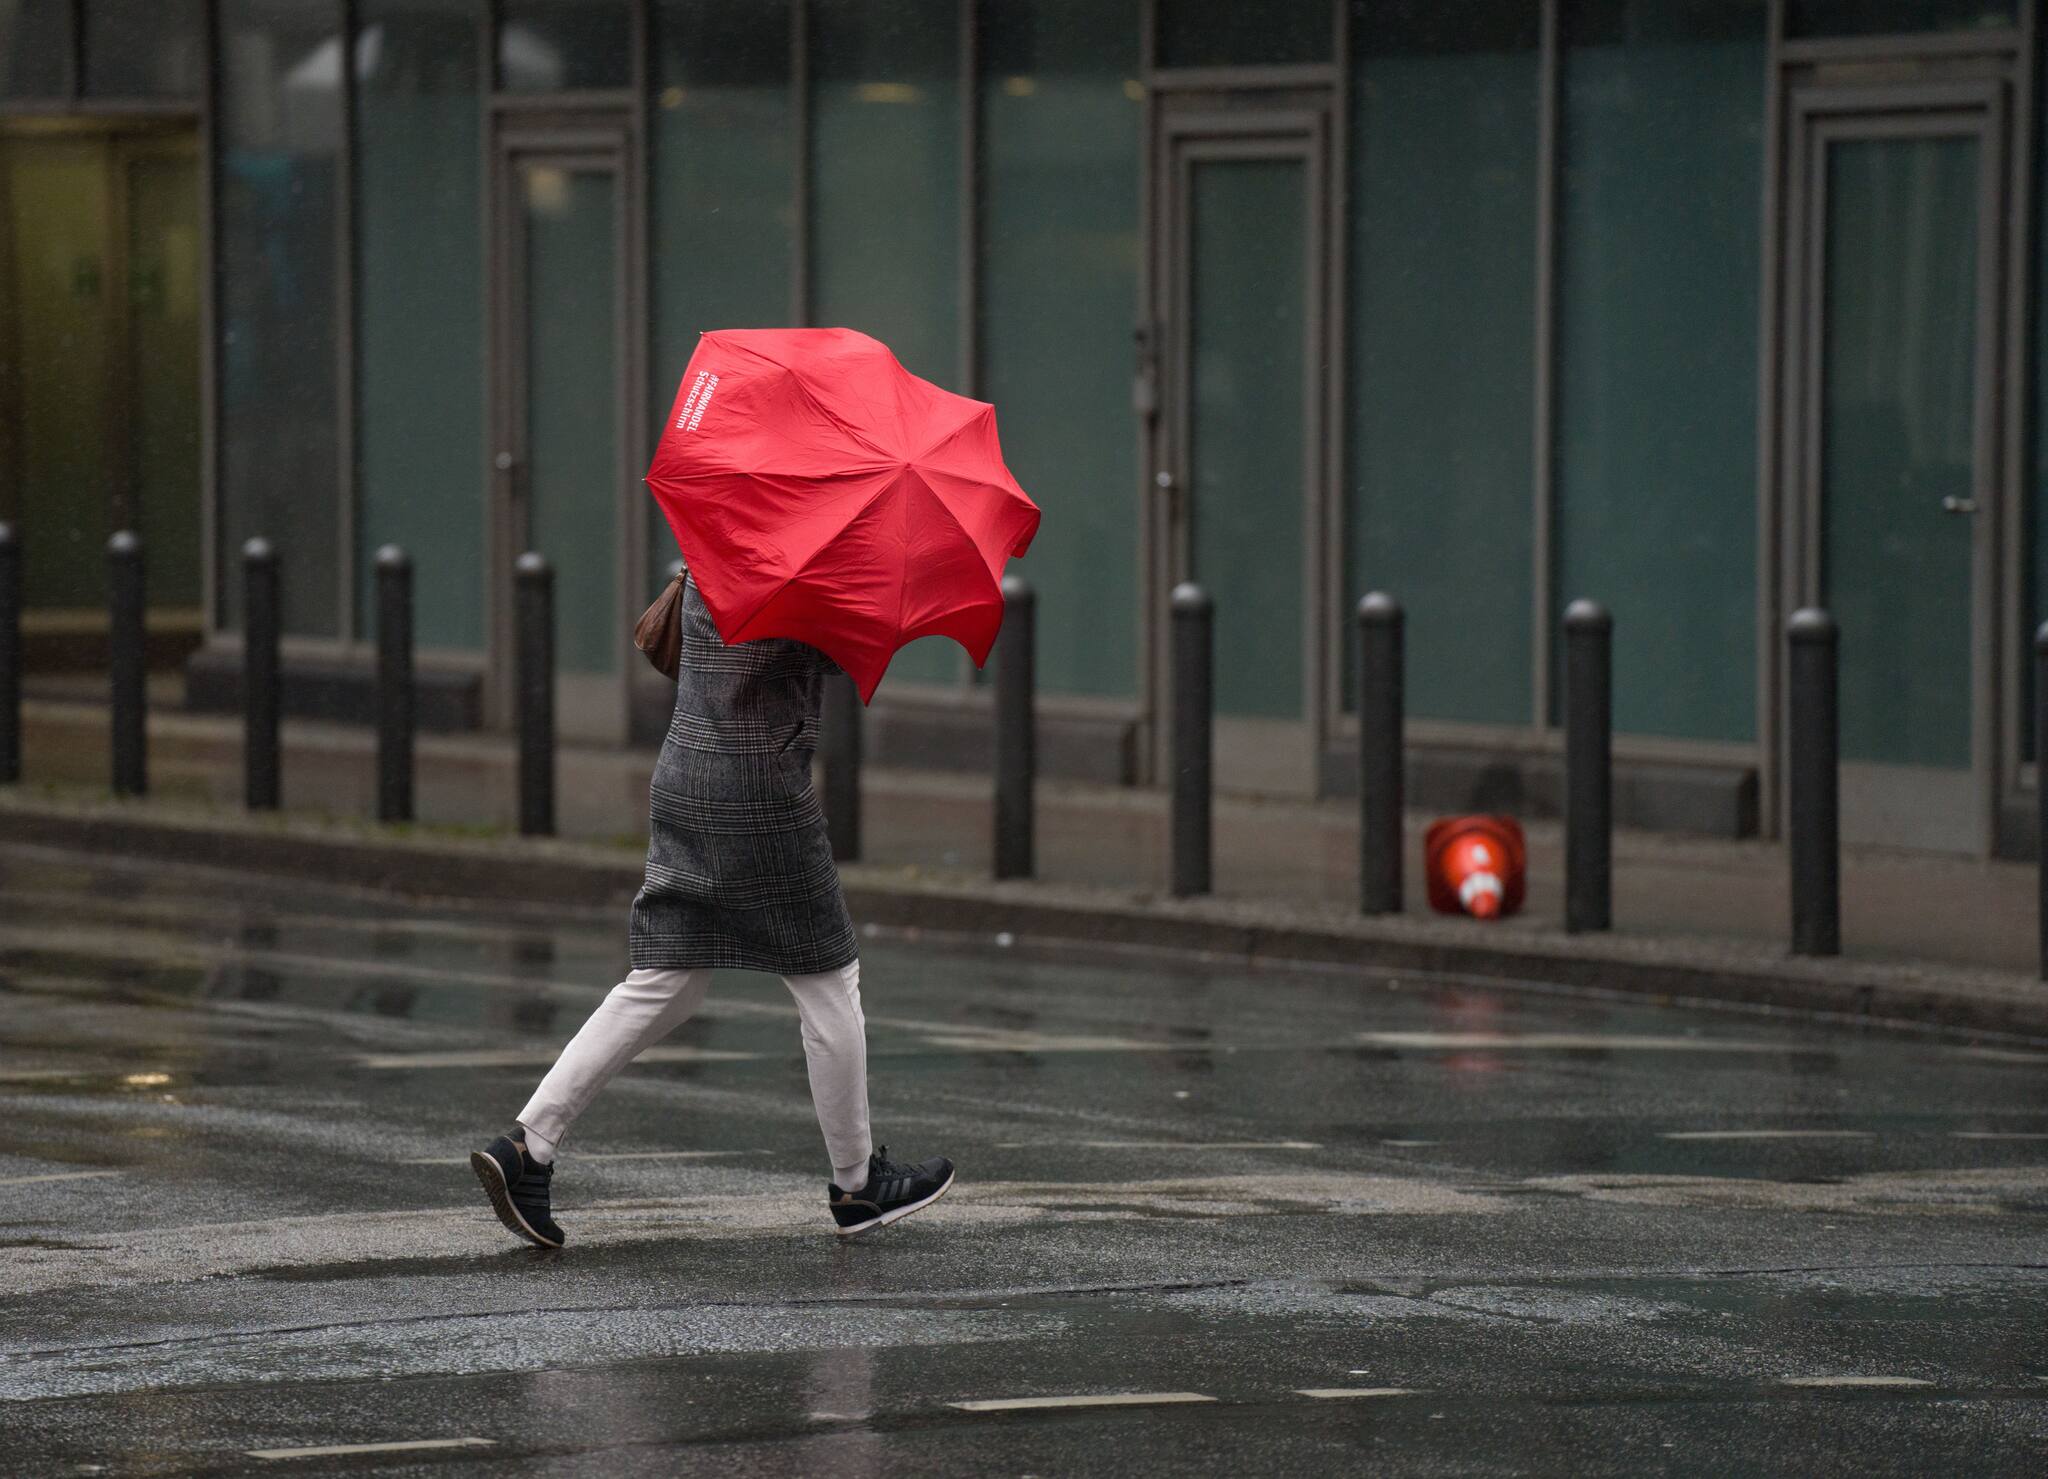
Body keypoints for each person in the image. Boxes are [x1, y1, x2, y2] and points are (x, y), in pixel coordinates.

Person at [472, 570, 953, 1246]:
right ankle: (857, 1185)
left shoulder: (718, 540)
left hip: (684, 777)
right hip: (760, 792)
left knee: (667, 980)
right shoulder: (801, 569)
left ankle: (528, 1144)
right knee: (827, 978)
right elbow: (845, 655)